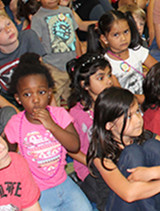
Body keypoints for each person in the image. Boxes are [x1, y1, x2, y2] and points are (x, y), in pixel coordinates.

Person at [3, 53, 92, 211]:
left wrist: (51, 125)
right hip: (37, 189)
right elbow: (8, 158)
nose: (36, 99)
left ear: (50, 92)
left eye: (41, 92)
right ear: (18, 99)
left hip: (63, 181)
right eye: (27, 94)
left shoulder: (59, 115)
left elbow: (74, 146)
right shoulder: (15, 124)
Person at [87, 88, 160, 211]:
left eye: (138, 111)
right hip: (121, 206)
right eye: (129, 116)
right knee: (132, 152)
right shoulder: (101, 154)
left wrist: (151, 173)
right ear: (110, 125)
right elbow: (129, 194)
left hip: (149, 200)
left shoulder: (145, 136)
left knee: (154, 146)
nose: (138, 120)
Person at [65, 54, 114, 209]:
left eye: (109, 75)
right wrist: (92, 163)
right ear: (85, 85)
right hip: (89, 166)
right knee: (107, 199)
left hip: (114, 159)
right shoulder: (75, 114)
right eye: (101, 78)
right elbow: (71, 149)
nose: (109, 81)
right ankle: (79, 184)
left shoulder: (113, 103)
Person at [28, 0, 80, 104]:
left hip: (70, 63)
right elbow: (36, 43)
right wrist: (41, 66)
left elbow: (74, 36)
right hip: (52, 66)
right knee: (53, 100)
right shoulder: (38, 18)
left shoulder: (67, 11)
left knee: (74, 98)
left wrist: (79, 56)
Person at [87, 10, 158, 97]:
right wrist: (146, 99)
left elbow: (159, 70)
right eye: (116, 35)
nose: (123, 38)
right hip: (126, 104)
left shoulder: (137, 51)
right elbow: (121, 95)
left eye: (126, 32)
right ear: (105, 39)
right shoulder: (105, 64)